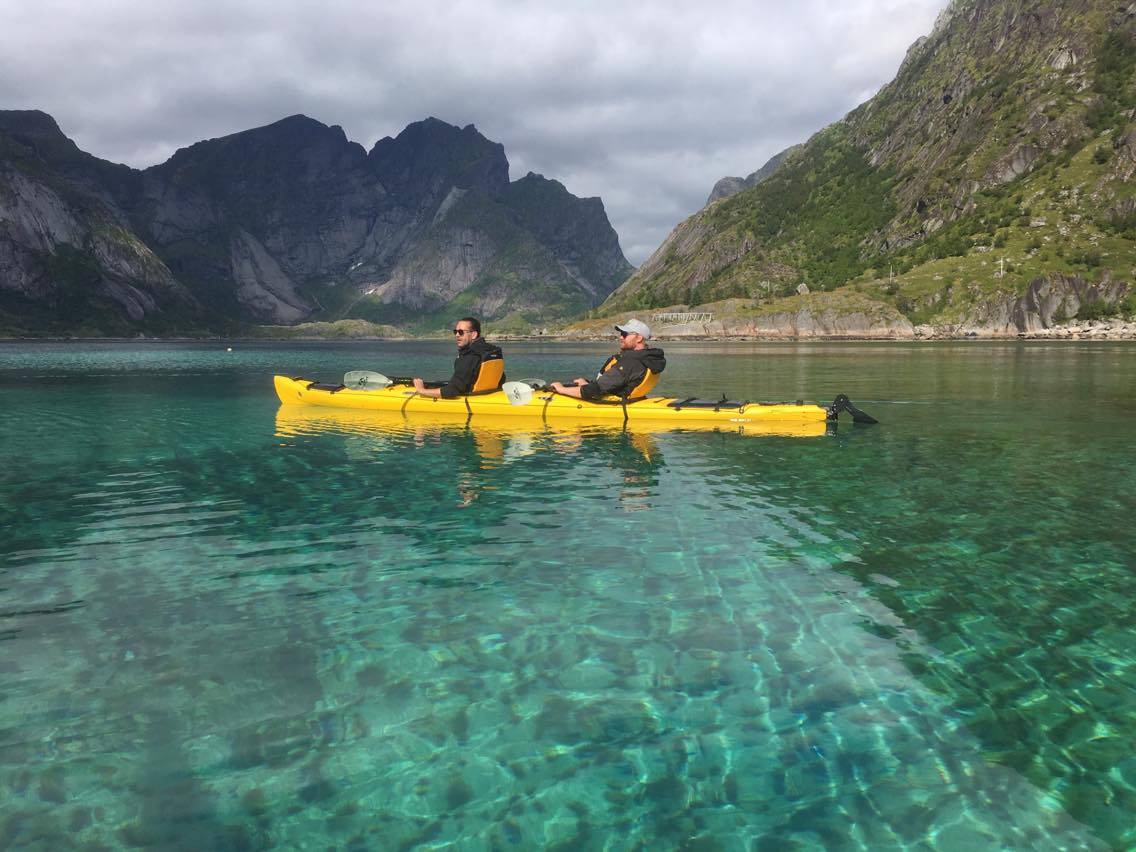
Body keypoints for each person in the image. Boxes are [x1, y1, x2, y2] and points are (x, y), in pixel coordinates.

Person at [550, 319, 665, 401]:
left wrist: (561, 389)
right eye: (621, 333)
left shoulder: (631, 362)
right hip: (633, 399)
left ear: (639, 338)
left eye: (625, 334)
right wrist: (587, 384)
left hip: (618, 403)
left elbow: (593, 392)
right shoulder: (648, 357)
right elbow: (618, 384)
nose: (620, 337)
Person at [412, 317, 506, 398]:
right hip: (488, 396)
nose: (457, 335)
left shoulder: (469, 356)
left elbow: (451, 391)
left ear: (473, 334)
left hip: (472, 400)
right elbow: (501, 379)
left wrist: (422, 390)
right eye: (455, 332)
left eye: (461, 332)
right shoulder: (492, 351)